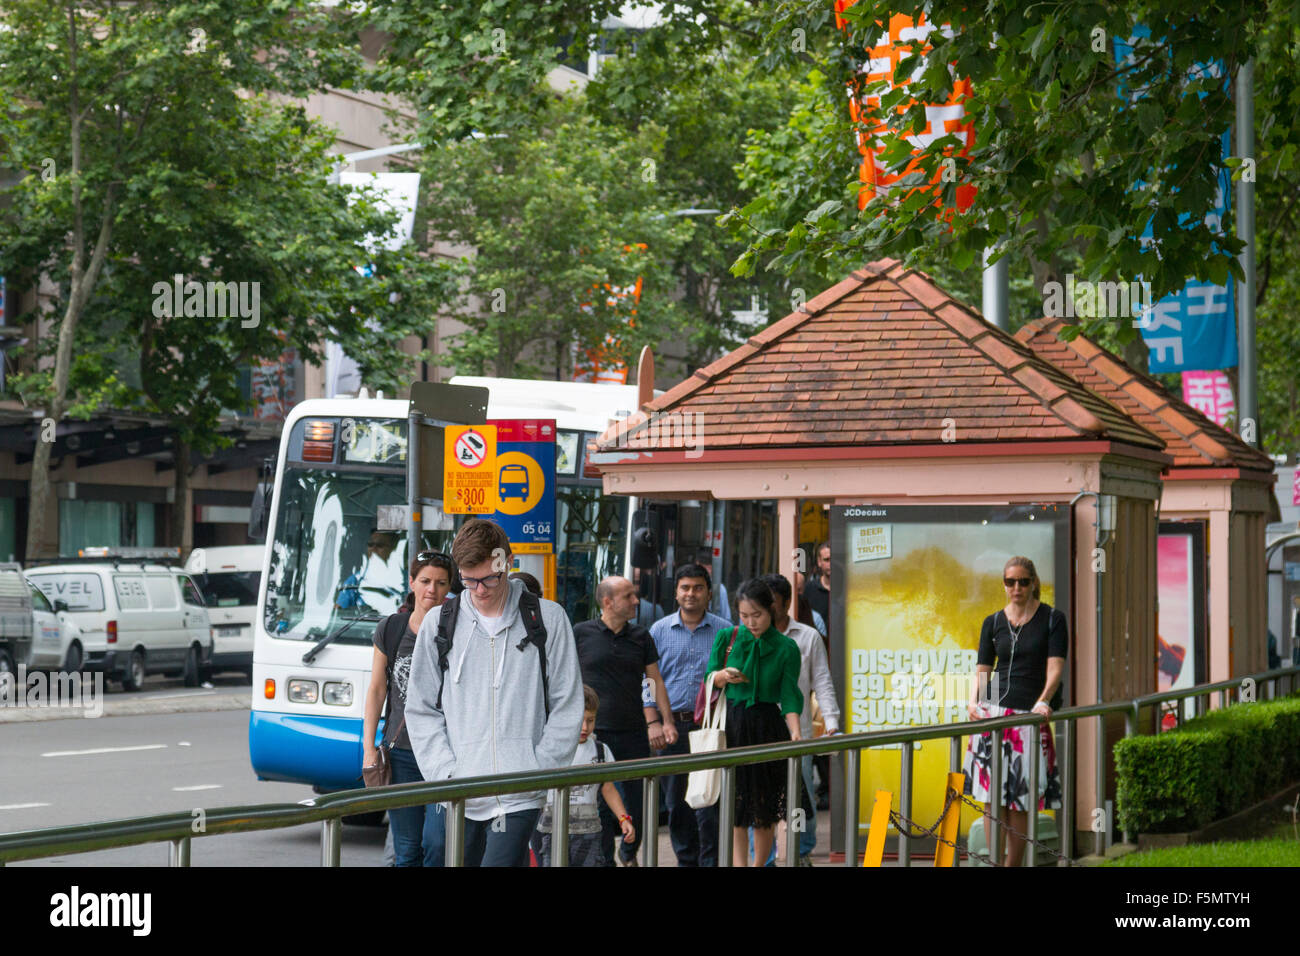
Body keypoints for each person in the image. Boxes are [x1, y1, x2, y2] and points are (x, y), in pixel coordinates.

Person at [406, 518, 584, 867]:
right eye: (469, 581)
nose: (480, 589)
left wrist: (540, 768)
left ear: (508, 562)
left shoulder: (548, 619)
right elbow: (421, 706)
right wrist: (445, 772)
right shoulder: (439, 623)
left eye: (490, 578)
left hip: (520, 788)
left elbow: (567, 701)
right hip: (457, 787)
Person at [963, 556, 1067, 867]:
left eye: (1023, 581)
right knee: (992, 801)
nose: (1017, 587)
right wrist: (973, 702)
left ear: (1034, 582)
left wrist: (1044, 700)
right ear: (1004, 584)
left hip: (1027, 714)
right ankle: (996, 863)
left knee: (1019, 800)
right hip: (992, 713)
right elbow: (983, 668)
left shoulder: (1052, 618)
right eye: (1010, 582)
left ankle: (1013, 865)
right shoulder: (993, 622)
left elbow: (1055, 666)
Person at [573, 575, 676, 866]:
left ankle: (628, 852)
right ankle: (606, 861)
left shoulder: (641, 636)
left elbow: (653, 680)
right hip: (593, 735)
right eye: (629, 596)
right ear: (608, 602)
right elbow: (566, 679)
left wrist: (661, 720)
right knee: (600, 807)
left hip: (632, 733)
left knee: (639, 805)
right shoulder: (581, 632)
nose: (636, 602)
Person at [362, 551, 454, 866]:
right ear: (412, 582)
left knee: (438, 844)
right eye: (426, 581)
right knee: (407, 850)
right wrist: (369, 749)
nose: (433, 590)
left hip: (447, 754)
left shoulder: (458, 630)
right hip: (401, 753)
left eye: (441, 583)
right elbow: (376, 690)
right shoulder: (391, 628)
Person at [709, 578, 802, 867]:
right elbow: (709, 677)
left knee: (764, 805)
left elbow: (789, 694)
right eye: (744, 616)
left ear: (771, 610)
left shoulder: (786, 647)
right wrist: (724, 675)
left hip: (767, 727)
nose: (751, 622)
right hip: (733, 725)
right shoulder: (727, 638)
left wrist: (796, 732)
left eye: (757, 615)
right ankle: (739, 864)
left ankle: (760, 863)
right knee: (736, 803)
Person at [644, 563, 732, 866]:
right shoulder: (658, 630)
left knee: (710, 802)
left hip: (711, 728)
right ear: (676, 592)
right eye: (685, 587)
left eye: (698, 587)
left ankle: (711, 862)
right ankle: (686, 862)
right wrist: (653, 721)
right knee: (676, 804)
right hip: (672, 730)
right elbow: (648, 681)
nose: (691, 593)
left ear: (709, 593)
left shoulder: (726, 631)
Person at [763, 572, 839, 865]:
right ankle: (766, 856)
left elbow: (822, 682)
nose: (766, 610)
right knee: (764, 797)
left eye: (772, 603)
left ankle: (801, 850)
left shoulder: (808, 637)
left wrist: (831, 723)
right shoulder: (750, 636)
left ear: (786, 603)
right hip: (761, 732)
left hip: (800, 732)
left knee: (801, 795)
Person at [532, 685, 637, 867]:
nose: (585, 727)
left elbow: (608, 788)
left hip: (588, 833)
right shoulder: (549, 748)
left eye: (591, 720)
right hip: (553, 831)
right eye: (580, 720)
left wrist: (623, 818)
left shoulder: (600, 750)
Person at [339, 530, 405, 615]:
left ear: (393, 548)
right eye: (370, 545)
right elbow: (338, 614)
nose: (373, 549)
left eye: (380, 545)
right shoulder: (355, 581)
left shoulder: (405, 580)